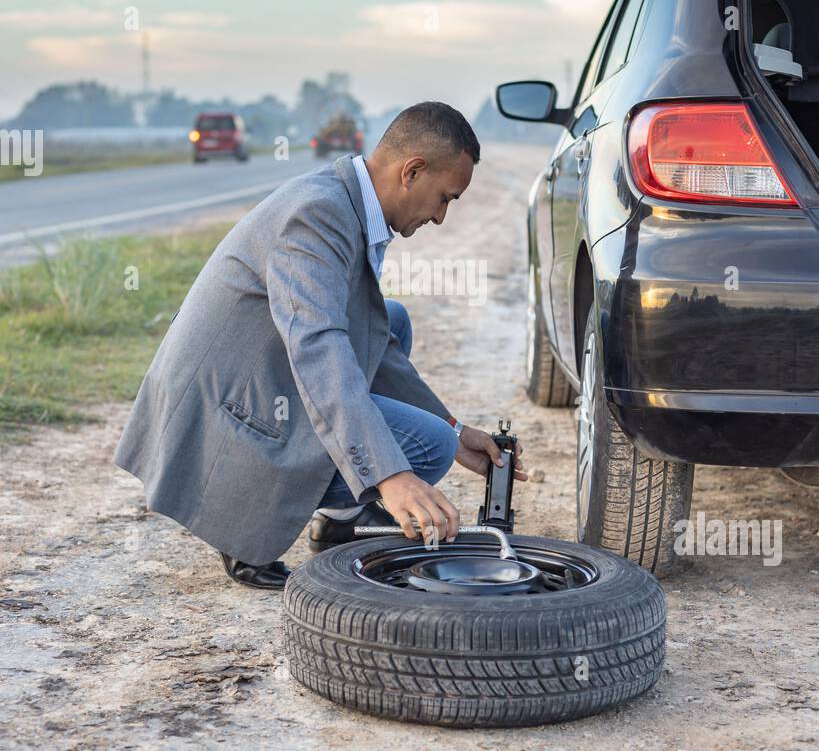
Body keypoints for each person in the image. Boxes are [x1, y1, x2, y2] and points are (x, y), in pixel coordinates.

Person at [114, 101, 526, 589]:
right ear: (411, 172)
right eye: (445, 198)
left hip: (255, 378)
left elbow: (370, 337)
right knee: (425, 447)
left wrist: (457, 430)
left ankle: (341, 517)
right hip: (220, 417)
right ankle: (247, 521)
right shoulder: (317, 214)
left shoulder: (345, 201)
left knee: (390, 322)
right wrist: (389, 475)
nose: (440, 217)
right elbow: (317, 347)